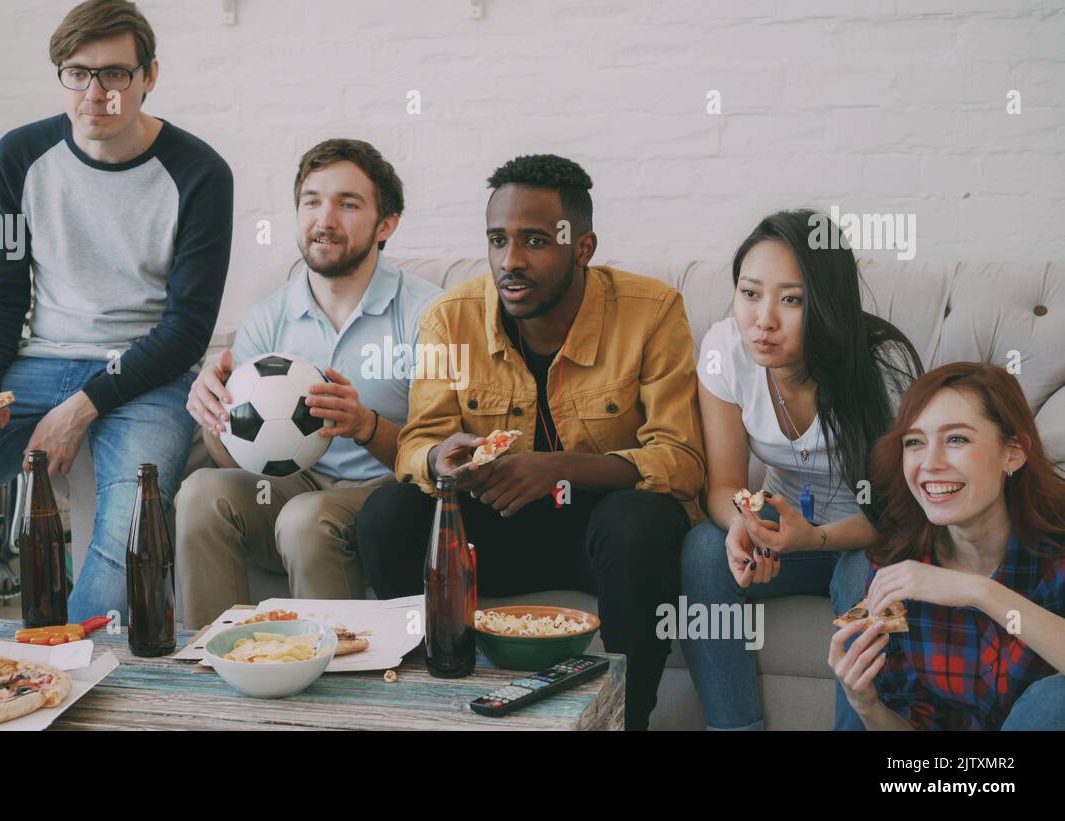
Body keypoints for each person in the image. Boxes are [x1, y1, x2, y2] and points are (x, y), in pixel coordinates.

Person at [0, 0, 233, 627]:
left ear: (150, 76)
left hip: (150, 376)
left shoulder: (201, 172)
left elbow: (186, 331)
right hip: (37, 365)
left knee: (132, 527)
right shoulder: (21, 155)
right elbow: (0, 287)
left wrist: (83, 407)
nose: (95, 94)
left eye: (115, 74)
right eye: (77, 73)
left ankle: (76, 676)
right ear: (61, 75)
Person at [356, 154, 706, 731]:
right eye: (498, 240)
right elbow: (420, 441)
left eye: (536, 241)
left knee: (641, 523)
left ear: (583, 248)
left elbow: (681, 460)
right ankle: (435, 709)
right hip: (493, 530)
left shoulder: (652, 312)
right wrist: (442, 458)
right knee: (387, 514)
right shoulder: (451, 317)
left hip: (599, 538)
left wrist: (558, 469)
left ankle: (625, 720)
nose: (510, 262)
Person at [177, 139, 441, 629]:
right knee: (200, 492)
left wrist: (364, 425)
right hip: (292, 487)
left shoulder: (429, 313)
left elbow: (442, 456)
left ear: (387, 224)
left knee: (306, 517)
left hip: (389, 494)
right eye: (312, 201)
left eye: (348, 204)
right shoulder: (267, 319)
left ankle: (335, 685)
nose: (325, 220)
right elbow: (236, 458)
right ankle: (218, 665)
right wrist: (216, 418)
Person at [679, 210, 922, 730]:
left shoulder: (882, 364)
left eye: (791, 300)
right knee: (703, 548)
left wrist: (811, 539)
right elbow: (724, 485)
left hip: (865, 534)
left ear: (827, 306)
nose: (763, 320)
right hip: (784, 530)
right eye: (750, 293)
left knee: (864, 574)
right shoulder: (726, 350)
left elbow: (898, 513)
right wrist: (745, 525)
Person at [832, 362, 1065, 730]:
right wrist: (865, 705)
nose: (930, 463)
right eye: (914, 442)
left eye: (957, 439)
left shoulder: (1056, 547)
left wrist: (978, 591)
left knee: (1055, 699)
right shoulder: (896, 567)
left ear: (1013, 453)